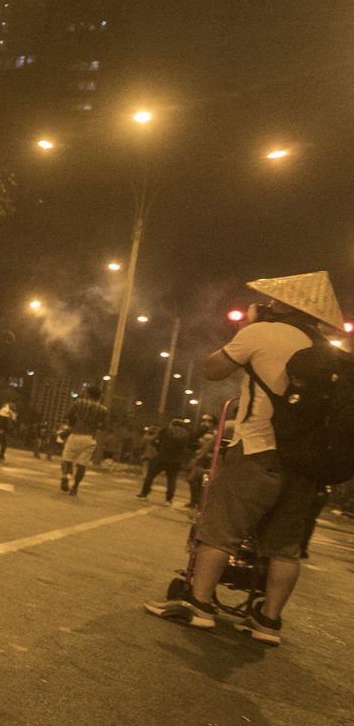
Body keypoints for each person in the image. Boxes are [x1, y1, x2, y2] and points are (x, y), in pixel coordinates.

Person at [145, 271, 345, 643]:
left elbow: (212, 369)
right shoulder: (330, 353)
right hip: (304, 463)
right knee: (285, 548)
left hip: (257, 449)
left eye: (273, 300)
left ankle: (198, 605)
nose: (267, 304)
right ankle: (268, 621)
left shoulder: (261, 333)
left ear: (285, 304)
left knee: (218, 529)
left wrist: (253, 325)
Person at [140, 416, 198, 505]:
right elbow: (189, 447)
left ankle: (144, 494)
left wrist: (160, 449)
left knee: (150, 475)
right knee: (172, 480)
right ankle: (169, 499)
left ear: (172, 423)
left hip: (163, 457)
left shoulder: (166, 430)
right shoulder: (186, 433)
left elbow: (155, 441)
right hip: (176, 460)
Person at [60, 387, 107, 495]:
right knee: (82, 465)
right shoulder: (103, 410)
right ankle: (75, 487)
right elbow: (104, 427)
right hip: (89, 439)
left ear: (88, 394)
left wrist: (76, 420)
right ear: (100, 397)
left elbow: (66, 416)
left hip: (75, 434)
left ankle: (65, 477)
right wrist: (94, 424)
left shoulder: (79, 403)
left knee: (67, 460)